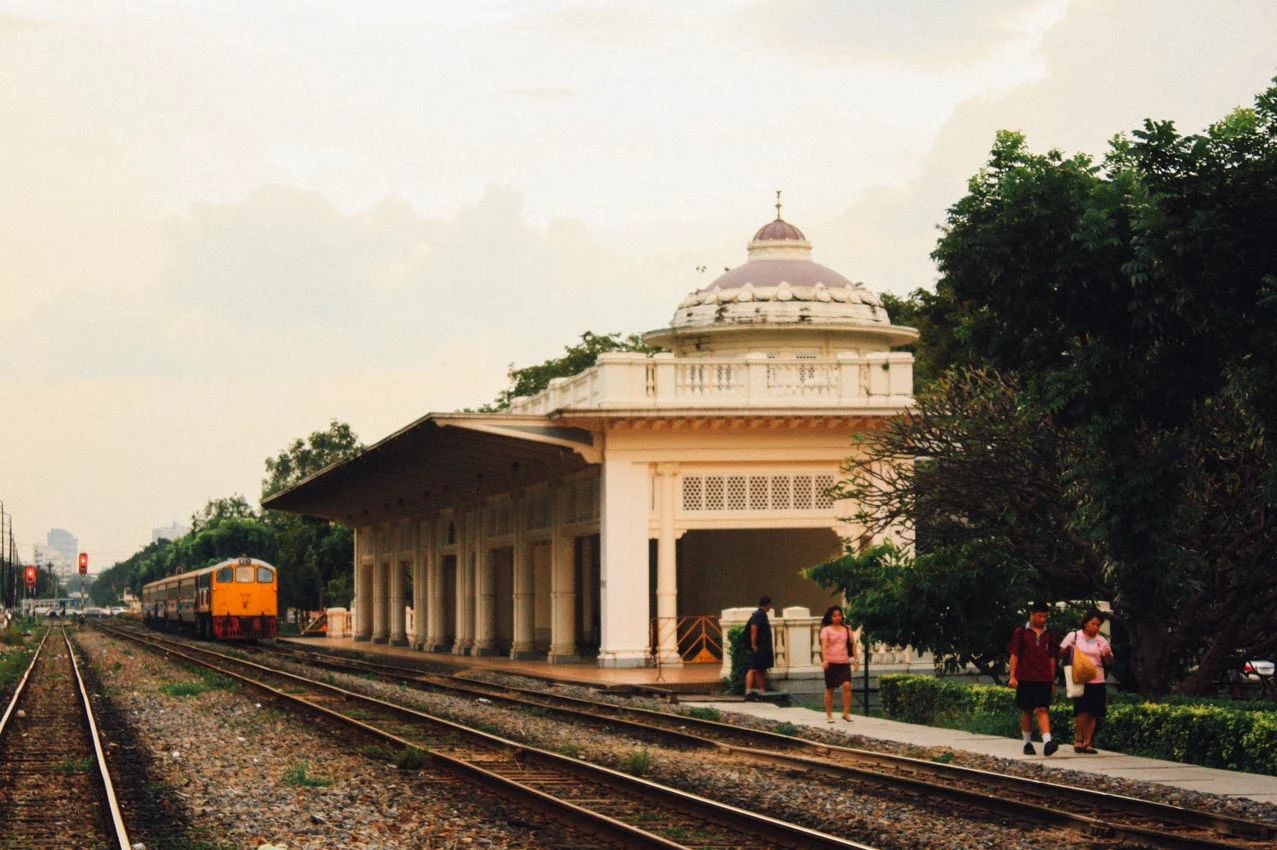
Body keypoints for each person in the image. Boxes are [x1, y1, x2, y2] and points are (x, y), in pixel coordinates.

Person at [1008, 601, 1059, 756]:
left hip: (1043, 677)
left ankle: (1047, 742)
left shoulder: (1049, 635)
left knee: (1043, 708)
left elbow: (1051, 658)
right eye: (1039, 616)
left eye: (1045, 616)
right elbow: (1014, 655)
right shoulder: (1021, 632)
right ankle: (1027, 742)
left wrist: (1052, 679)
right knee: (1028, 710)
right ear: (1031, 614)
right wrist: (1012, 676)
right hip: (1025, 677)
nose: (1042, 619)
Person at [1059, 608, 1113, 754]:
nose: (1095, 627)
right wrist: (1068, 650)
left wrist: (1108, 655)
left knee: (1093, 712)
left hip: (1097, 678)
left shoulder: (1102, 641)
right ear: (1086, 623)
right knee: (1082, 711)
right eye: (1093, 624)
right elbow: (1060, 651)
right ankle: (1078, 739)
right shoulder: (1075, 636)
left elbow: (1108, 661)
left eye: (1098, 625)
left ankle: (1088, 742)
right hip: (1081, 678)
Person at [819, 605, 858, 722]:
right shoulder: (826, 630)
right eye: (834, 616)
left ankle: (846, 713)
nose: (837, 618)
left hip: (844, 662)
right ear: (830, 617)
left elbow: (853, 646)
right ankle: (829, 714)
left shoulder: (847, 629)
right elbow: (824, 647)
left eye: (839, 615)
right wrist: (825, 660)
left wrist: (856, 661)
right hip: (831, 662)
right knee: (830, 689)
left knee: (847, 686)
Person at [745, 596, 774, 700]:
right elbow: (754, 629)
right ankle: (748, 692)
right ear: (767, 604)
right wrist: (753, 645)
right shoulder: (759, 614)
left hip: (762, 647)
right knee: (753, 669)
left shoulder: (762, 614)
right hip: (758, 647)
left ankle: (762, 691)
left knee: (761, 669)